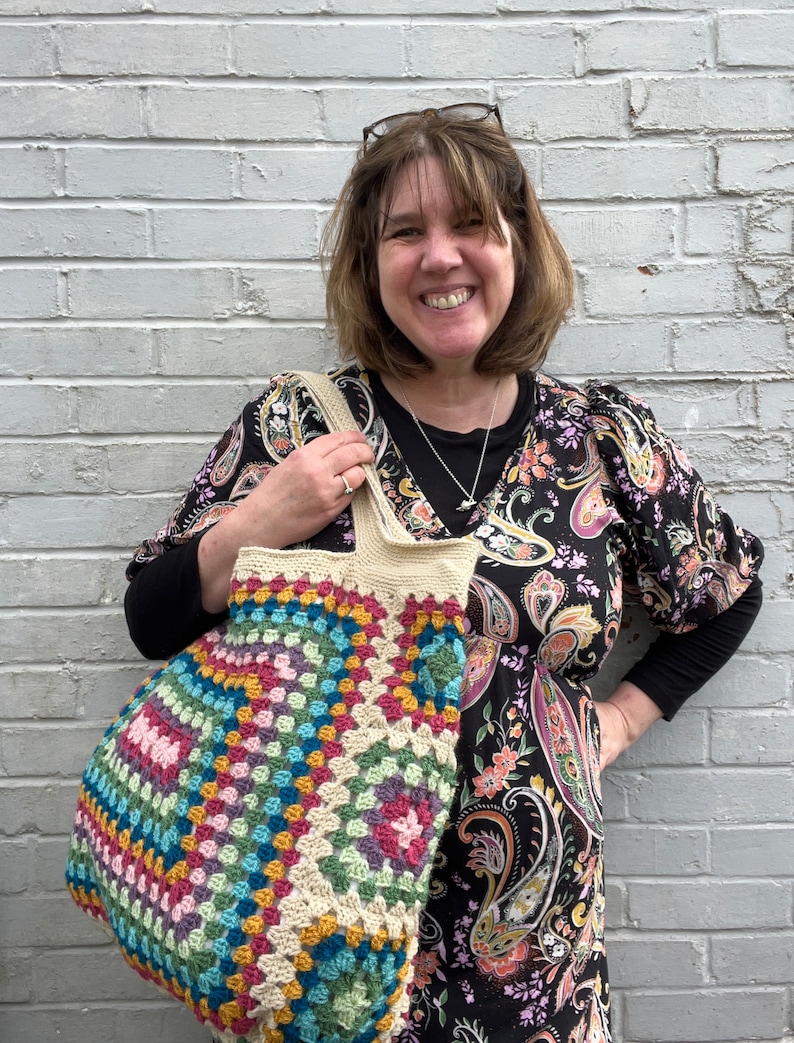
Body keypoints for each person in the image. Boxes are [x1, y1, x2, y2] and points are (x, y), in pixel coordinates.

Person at [125, 104, 763, 1042]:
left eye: (470, 224)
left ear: (518, 247)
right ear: (370, 261)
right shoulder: (298, 425)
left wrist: (615, 724)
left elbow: (726, 593)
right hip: (310, 945)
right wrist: (257, 523)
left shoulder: (599, 437)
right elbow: (152, 619)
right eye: (405, 232)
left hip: (534, 955)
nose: (440, 256)